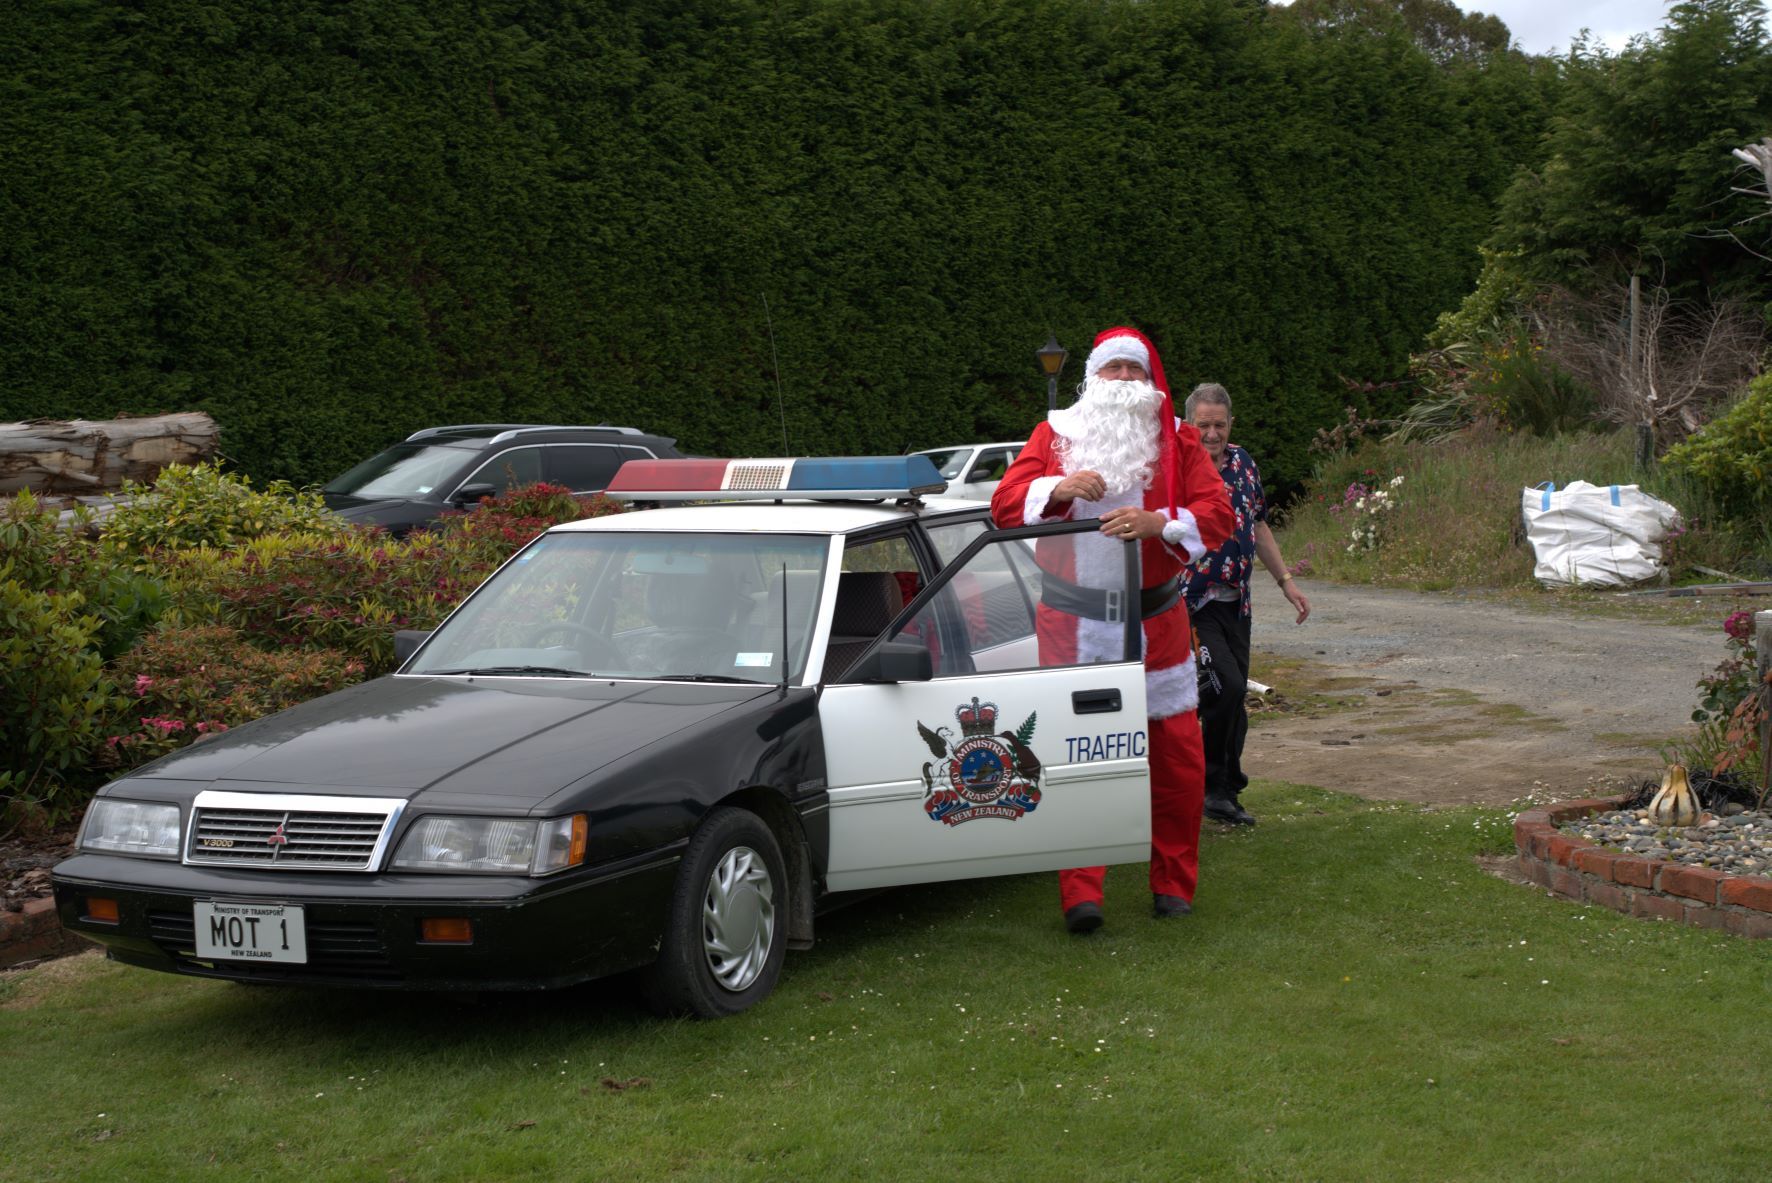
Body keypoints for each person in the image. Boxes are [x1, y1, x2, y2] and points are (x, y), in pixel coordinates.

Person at [992, 327, 1235, 934]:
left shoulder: (1177, 439)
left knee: (1177, 759)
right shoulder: (1055, 433)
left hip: (1157, 620)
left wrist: (1161, 522)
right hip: (1070, 622)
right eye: (1113, 369)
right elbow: (1004, 503)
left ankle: (1173, 884)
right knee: (1075, 755)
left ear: (1151, 380)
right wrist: (1057, 487)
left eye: (1135, 369)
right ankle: (1081, 892)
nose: (1125, 379)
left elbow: (1219, 513)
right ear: (1093, 380)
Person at [1181, 382, 1310, 827]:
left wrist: (1286, 581)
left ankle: (1223, 791)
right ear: (1188, 425)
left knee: (1230, 700)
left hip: (1238, 605)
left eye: (1219, 424)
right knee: (1227, 687)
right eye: (1204, 425)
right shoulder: (1176, 467)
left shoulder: (1243, 463)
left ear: (1230, 424)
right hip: (1192, 603)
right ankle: (1211, 783)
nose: (1212, 433)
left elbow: (1258, 527)